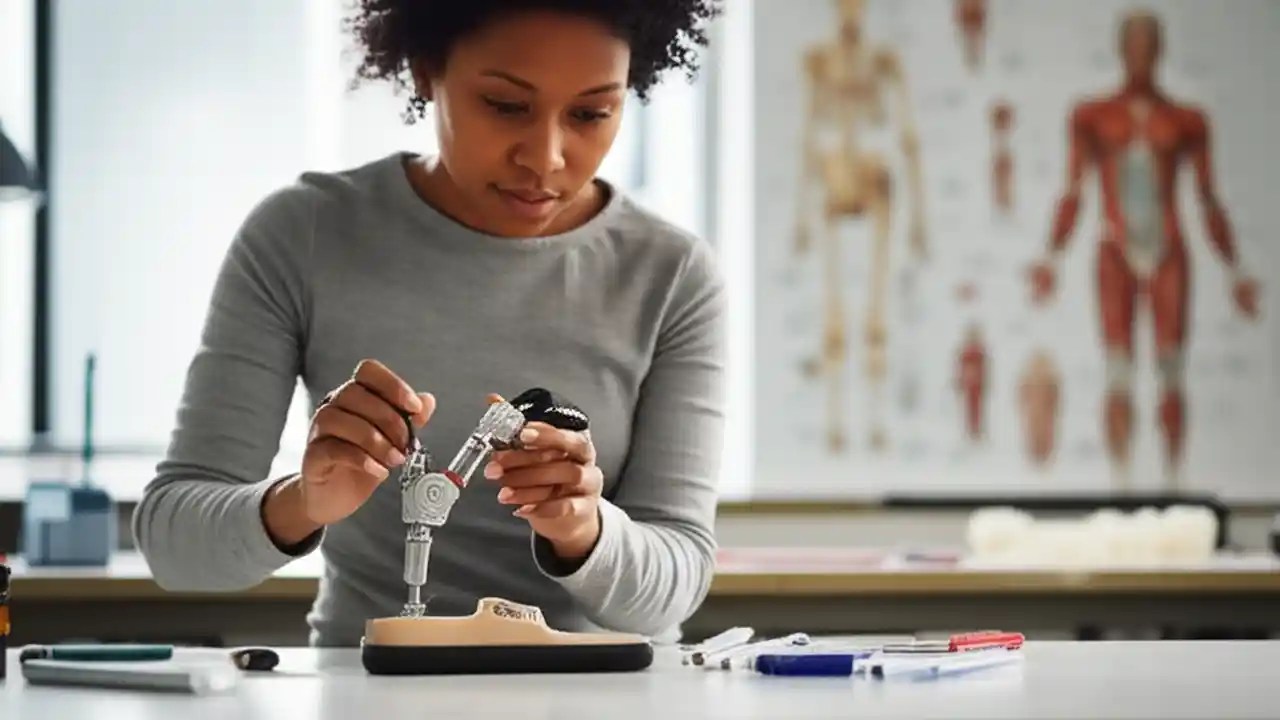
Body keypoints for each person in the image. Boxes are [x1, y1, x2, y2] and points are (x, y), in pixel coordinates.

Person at [132, 0, 726, 648]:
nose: (546, 157)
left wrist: (584, 528)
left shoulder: (673, 275)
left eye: (590, 113)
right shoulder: (303, 236)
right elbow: (176, 548)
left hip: (610, 694)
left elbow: (679, 576)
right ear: (424, 71)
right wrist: (305, 501)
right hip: (372, 688)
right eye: (505, 105)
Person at [1028, 9, 1259, 490]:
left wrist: (1236, 269)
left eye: (1148, 44)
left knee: (1171, 372)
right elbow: (1074, 192)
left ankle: (1174, 483)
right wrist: (1051, 256)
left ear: (1160, 50)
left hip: (1169, 250)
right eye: (1132, 44)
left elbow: (1208, 198)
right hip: (1115, 251)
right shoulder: (1094, 116)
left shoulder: (1185, 121)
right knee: (1118, 372)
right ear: (1120, 49)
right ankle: (1122, 485)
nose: (1140, 54)